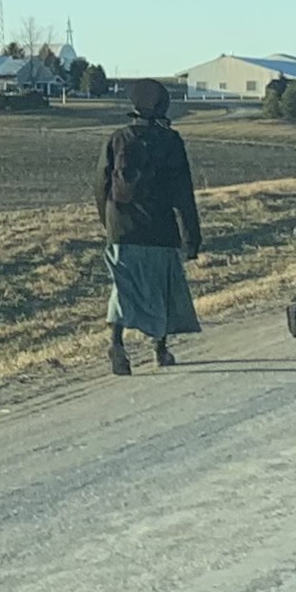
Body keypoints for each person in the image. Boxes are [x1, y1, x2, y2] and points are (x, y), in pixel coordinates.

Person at [95, 78, 202, 374]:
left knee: (123, 286)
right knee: (161, 288)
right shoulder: (171, 142)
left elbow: (100, 185)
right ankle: (159, 349)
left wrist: (109, 223)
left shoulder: (117, 139)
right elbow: (183, 194)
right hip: (160, 228)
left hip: (122, 227)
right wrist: (191, 238)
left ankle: (116, 343)